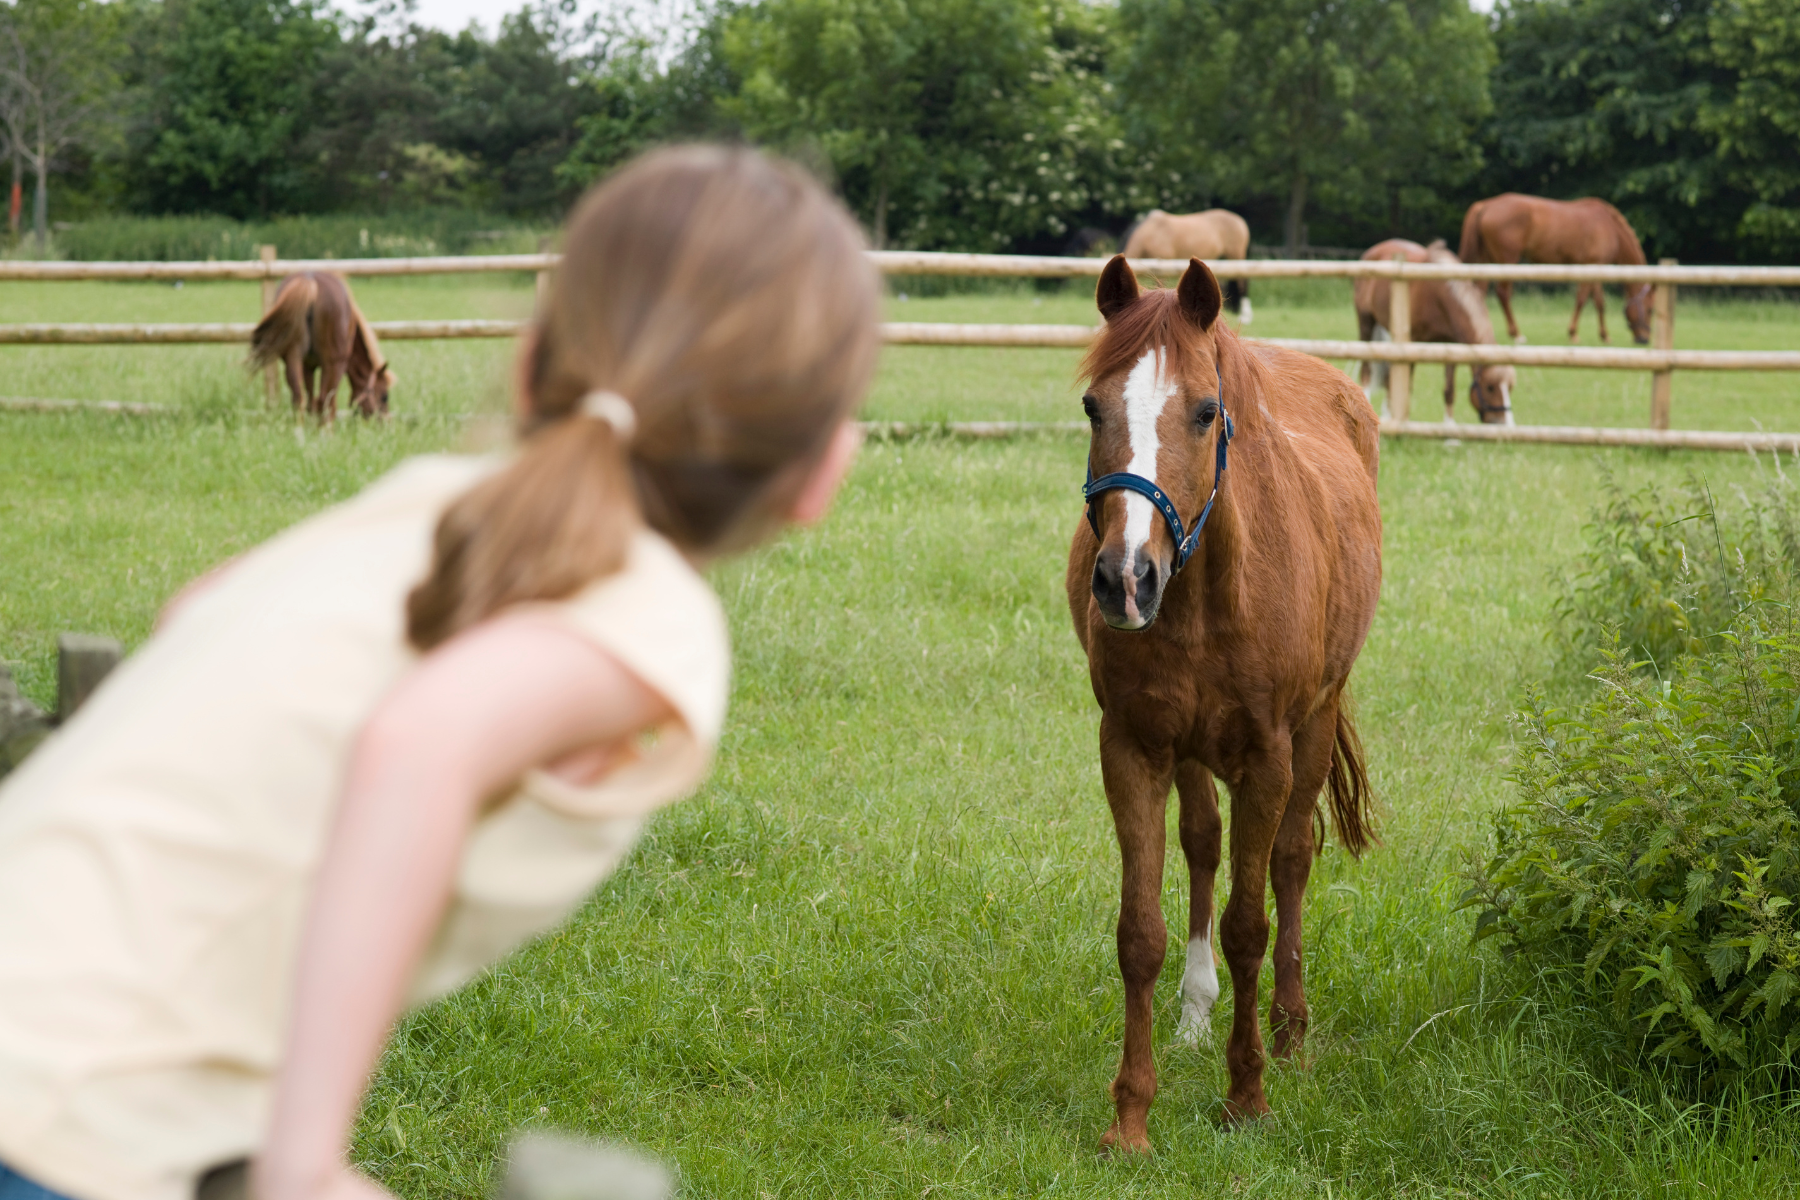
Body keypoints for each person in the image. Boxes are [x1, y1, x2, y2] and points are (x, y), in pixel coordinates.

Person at [0, 146, 881, 1200]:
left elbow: (195, 615)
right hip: (67, 1114)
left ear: (530, 364)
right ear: (823, 471)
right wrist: (302, 1169)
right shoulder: (652, 608)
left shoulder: (430, 500)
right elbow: (418, 746)